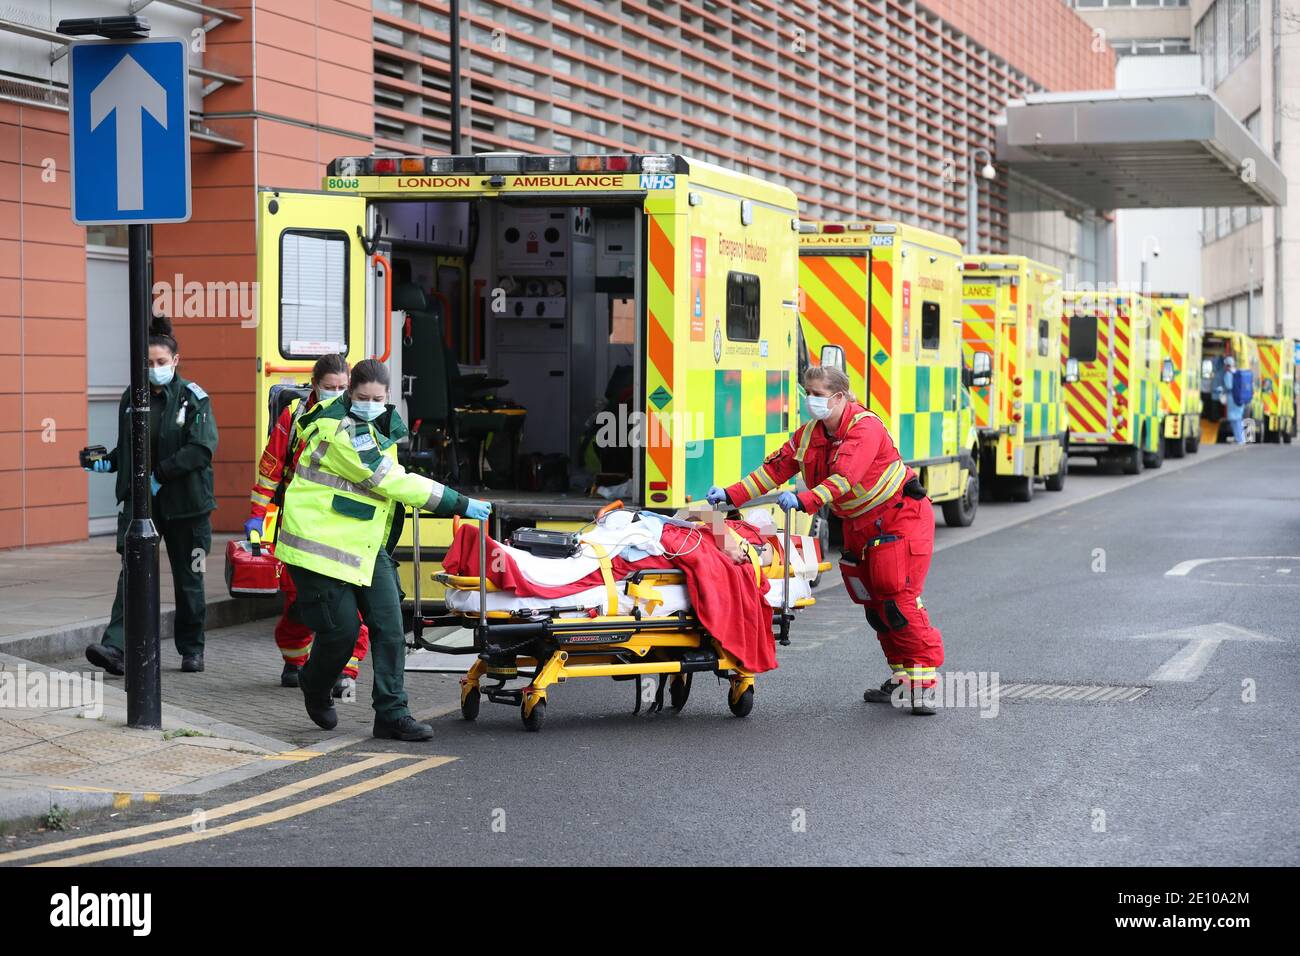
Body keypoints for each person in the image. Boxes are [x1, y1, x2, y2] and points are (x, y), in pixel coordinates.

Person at [706, 366, 944, 715]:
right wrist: (731, 495)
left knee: (897, 599)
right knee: (875, 605)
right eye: (807, 393)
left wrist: (805, 500)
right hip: (861, 524)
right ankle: (902, 677)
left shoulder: (865, 428)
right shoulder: (811, 435)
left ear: (839, 397)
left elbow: (844, 479)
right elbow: (774, 470)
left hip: (900, 518)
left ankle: (923, 684)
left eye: (817, 394)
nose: (810, 400)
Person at [275, 359, 493, 740]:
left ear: (389, 395)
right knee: (342, 634)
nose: (370, 403)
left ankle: (392, 713)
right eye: (362, 397)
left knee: (391, 629)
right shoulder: (338, 427)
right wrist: (457, 503)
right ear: (348, 394)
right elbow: (386, 480)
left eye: (378, 398)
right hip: (320, 548)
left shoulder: (376, 424)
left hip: (364, 544)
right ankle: (314, 682)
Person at [84, 315, 219, 675]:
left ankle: (192, 648)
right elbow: (126, 450)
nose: (154, 368)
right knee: (132, 575)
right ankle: (117, 648)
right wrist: (104, 463)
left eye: (161, 362)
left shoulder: (194, 399)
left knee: (189, 579)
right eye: (148, 363)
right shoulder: (132, 397)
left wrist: (160, 474)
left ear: (175, 361)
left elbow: (202, 449)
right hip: (143, 505)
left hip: (187, 507)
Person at [247, 353, 370, 696]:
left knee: (349, 600)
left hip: (344, 522)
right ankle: (295, 659)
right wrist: (257, 513)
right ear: (315, 385)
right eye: (330, 387)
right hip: (300, 521)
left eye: (343, 387)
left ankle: (345, 671)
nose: (337, 392)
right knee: (299, 600)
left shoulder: (358, 418)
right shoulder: (295, 414)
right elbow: (272, 467)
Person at [1218, 355, 1247, 445]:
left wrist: (1221, 390)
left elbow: (1229, 386)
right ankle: (1241, 439)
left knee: (1233, 419)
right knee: (1238, 419)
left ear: (1227, 365)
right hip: (1240, 398)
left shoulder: (1228, 374)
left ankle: (1239, 439)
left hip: (1232, 398)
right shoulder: (1237, 372)